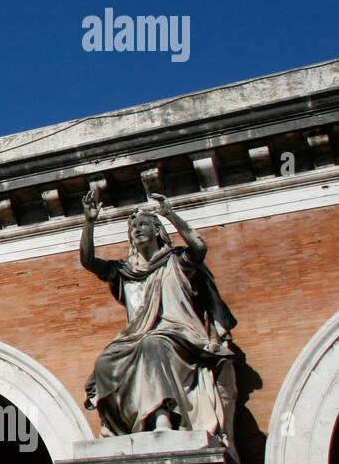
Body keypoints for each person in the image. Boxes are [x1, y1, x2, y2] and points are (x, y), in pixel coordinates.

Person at [80, 188, 237, 445]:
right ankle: (122, 426)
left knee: (153, 345)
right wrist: (89, 222)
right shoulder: (125, 270)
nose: (137, 230)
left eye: (143, 225)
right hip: (136, 337)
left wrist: (171, 215)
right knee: (105, 362)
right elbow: (88, 261)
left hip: (178, 334)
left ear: (156, 230)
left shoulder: (175, 261)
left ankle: (163, 417)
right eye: (133, 228)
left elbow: (198, 247)